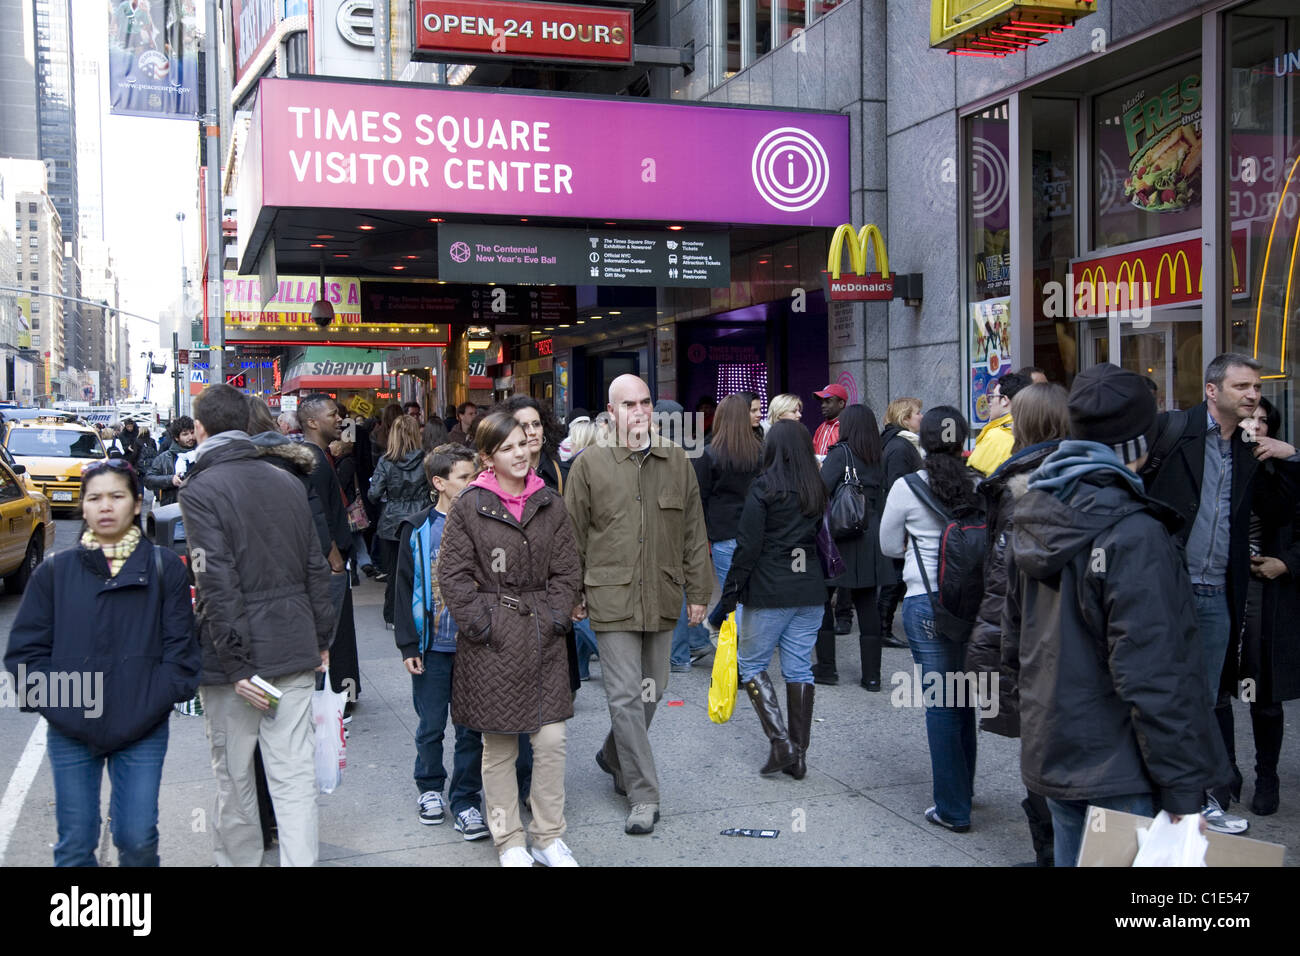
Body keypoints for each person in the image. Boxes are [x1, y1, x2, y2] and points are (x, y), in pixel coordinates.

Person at [1003, 364, 1231, 865]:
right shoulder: (1133, 532)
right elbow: (1152, 672)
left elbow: (1014, 642)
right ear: (1140, 444)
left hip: (1057, 753)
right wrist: (1182, 784)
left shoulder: (1036, 510)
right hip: (1118, 768)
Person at [5, 458, 200, 866]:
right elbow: (25, 657)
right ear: (83, 506)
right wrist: (67, 711)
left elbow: (182, 657)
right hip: (71, 731)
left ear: (135, 503)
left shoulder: (165, 569)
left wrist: (148, 702)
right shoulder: (54, 573)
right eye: (94, 497)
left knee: (138, 838)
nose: (105, 506)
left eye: (116, 496)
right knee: (75, 845)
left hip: (142, 728)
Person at [1140, 352, 1299, 832]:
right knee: (1155, 694)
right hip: (1165, 586)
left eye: (1255, 387)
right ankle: (1147, 794)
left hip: (1217, 592)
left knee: (1207, 699)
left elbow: (1284, 514)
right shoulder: (1171, 430)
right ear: (1213, 391)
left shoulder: (1253, 449)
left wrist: (1288, 457)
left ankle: (1201, 799)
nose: (1253, 395)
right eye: (1242, 387)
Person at [178, 384, 335, 866]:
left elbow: (214, 582)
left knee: (236, 778)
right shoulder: (286, 480)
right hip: (291, 647)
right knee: (292, 778)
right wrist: (322, 639)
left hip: (236, 667)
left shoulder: (201, 488)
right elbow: (317, 567)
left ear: (201, 428)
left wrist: (238, 663)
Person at [565, 374, 711, 835]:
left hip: (663, 593)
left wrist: (700, 592)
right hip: (610, 597)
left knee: (653, 689)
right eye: (629, 404)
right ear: (612, 412)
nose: (640, 411)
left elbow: (693, 530)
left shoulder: (676, 460)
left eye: (646, 402)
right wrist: (573, 593)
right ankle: (643, 793)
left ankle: (612, 755)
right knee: (626, 696)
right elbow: (572, 535)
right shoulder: (591, 464)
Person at [437, 412, 583, 866]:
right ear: (487, 457)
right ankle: (509, 841)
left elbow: (567, 569)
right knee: (498, 747)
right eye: (508, 448)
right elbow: (453, 577)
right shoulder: (469, 505)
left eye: (523, 443)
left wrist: (557, 616)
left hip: (543, 638)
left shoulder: (550, 502)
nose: (520, 453)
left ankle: (547, 836)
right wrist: (485, 625)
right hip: (492, 645)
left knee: (552, 740)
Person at [964, 382, 1070, 866]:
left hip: (1039, 639)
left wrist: (987, 650)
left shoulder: (1025, 485)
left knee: (1043, 754)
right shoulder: (1082, 472)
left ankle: (1054, 855)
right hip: (1073, 636)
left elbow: (1004, 579)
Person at [879, 406, 981, 834]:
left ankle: (953, 808)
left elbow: (887, 545)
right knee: (964, 697)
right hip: (971, 601)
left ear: (923, 441)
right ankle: (964, 790)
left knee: (940, 702)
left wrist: (918, 551)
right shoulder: (978, 483)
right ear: (962, 442)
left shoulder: (907, 487)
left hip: (926, 601)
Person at [715, 420, 827, 778]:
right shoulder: (816, 488)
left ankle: (781, 744)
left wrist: (727, 599)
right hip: (809, 590)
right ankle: (799, 756)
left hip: (769, 590)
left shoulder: (763, 488)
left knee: (751, 665)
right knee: (798, 668)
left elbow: (747, 549)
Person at [392, 443, 489, 841]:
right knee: (431, 724)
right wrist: (408, 646)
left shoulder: (484, 524)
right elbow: (401, 590)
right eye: (464, 477)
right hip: (431, 647)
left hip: (473, 647)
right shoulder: (417, 528)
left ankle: (466, 801)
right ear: (439, 483)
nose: (473, 483)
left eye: (474, 476)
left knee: (470, 729)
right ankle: (430, 788)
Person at [1218, 398, 1299, 817]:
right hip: (1218, 586)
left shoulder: (1283, 467)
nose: (1255, 427)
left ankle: (1266, 775)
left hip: (1267, 592)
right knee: (1217, 687)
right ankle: (1225, 769)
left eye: (1264, 421)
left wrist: (1286, 563)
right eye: (1248, 419)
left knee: (1262, 691)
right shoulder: (1218, 462)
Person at [817, 404, 895, 689]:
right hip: (872, 535)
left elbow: (820, 490)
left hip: (841, 536)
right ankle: (872, 676)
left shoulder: (841, 454)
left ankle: (826, 668)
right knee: (867, 604)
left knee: (823, 599)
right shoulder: (879, 455)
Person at [689, 394, 761, 672]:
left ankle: (742, 662)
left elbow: (699, 497)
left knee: (733, 597)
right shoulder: (760, 451)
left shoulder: (709, 453)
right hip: (755, 533)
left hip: (723, 533)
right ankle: (749, 656)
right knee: (748, 597)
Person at [298, 393, 361, 710]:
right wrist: (333, 558)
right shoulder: (311, 461)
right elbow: (315, 513)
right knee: (334, 632)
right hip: (330, 563)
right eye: (333, 414)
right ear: (312, 422)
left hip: (335, 560)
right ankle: (337, 695)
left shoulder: (319, 457)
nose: (340, 419)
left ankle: (341, 693)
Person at [368, 414, 430, 628]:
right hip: (420, 519)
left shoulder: (386, 461)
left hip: (391, 522)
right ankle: (419, 612)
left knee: (394, 572)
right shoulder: (427, 459)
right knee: (420, 570)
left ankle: (393, 616)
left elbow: (374, 493)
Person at [560, 415, 606, 678]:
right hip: (591, 544)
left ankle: (606, 657)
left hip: (585, 545)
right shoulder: (595, 464)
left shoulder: (579, 466)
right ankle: (580, 667)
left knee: (579, 614)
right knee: (580, 610)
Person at [877, 398, 924, 647]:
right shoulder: (900, 447)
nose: (921, 417)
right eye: (918, 413)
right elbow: (898, 486)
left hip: (898, 518)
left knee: (895, 574)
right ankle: (883, 628)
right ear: (905, 418)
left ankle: (884, 625)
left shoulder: (900, 444)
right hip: (900, 519)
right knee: (894, 575)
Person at [499, 394, 566, 493]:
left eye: (536, 424)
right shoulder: (501, 476)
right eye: (524, 426)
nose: (532, 432)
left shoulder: (562, 473)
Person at [969, 372, 1030, 477]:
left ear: (1004, 400)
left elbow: (975, 480)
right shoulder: (1035, 430)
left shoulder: (994, 437)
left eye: (992, 397)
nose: (989, 403)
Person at [331, 438, 373, 585]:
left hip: (348, 507)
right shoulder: (346, 462)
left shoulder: (345, 463)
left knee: (352, 537)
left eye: (334, 445)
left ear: (339, 449)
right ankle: (365, 562)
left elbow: (342, 483)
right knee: (356, 536)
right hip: (350, 505)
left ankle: (357, 567)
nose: (331, 447)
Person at [144, 416, 196, 508]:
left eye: (192, 433)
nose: (190, 437)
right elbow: (149, 480)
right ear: (176, 437)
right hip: (172, 510)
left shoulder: (202, 454)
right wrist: (170, 480)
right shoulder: (164, 458)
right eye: (185, 434)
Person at [812, 384, 847, 456]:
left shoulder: (847, 428)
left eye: (828, 401)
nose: (823, 405)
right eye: (822, 402)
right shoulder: (820, 428)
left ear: (841, 403)